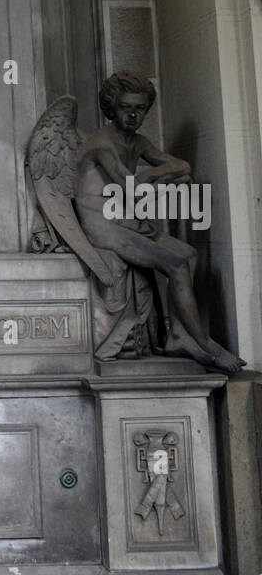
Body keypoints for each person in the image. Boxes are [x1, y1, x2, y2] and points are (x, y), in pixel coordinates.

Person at [74, 72, 244, 374]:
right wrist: (157, 176)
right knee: (176, 265)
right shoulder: (102, 143)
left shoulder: (138, 142)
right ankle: (207, 344)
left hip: (124, 218)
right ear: (111, 107)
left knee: (189, 256)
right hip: (102, 224)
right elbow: (133, 189)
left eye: (139, 108)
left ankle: (178, 335)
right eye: (126, 107)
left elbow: (182, 165)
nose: (133, 114)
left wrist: (152, 174)